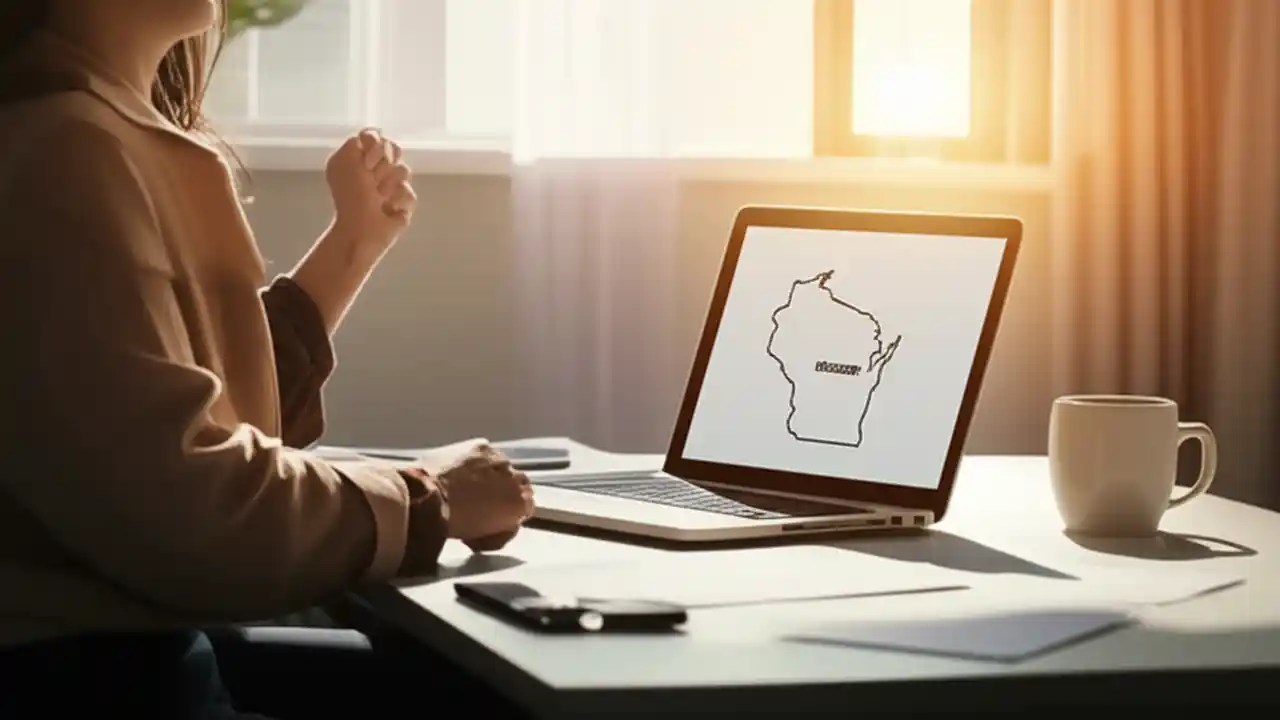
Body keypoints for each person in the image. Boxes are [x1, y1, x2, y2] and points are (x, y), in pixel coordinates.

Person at [0, 1, 535, 717]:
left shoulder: (89, 131)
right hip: (84, 682)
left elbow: (177, 415)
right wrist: (429, 499)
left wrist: (353, 245)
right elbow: (189, 512)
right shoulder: (59, 152)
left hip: (128, 657)